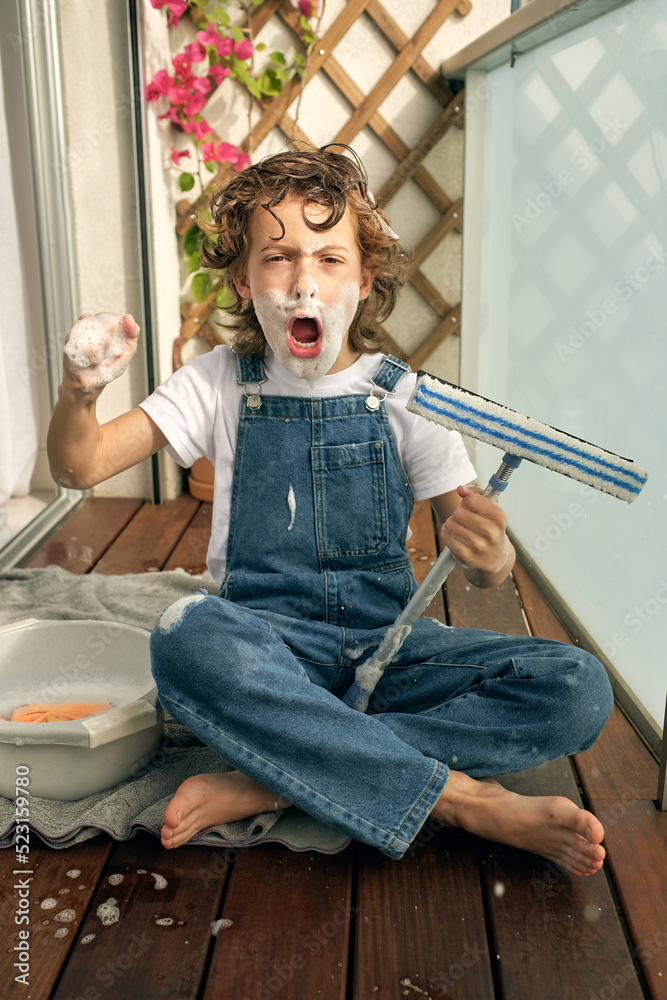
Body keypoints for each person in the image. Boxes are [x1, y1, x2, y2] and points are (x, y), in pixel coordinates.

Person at [47, 144, 613, 875]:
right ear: (246, 283)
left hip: (393, 647)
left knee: (578, 690)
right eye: (277, 259)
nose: (302, 282)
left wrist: (491, 553)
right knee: (184, 634)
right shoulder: (217, 382)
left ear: (364, 279)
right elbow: (78, 465)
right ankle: (462, 800)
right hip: (269, 654)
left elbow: (483, 576)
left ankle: (271, 778)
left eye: (328, 259)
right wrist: (79, 392)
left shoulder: (410, 400)